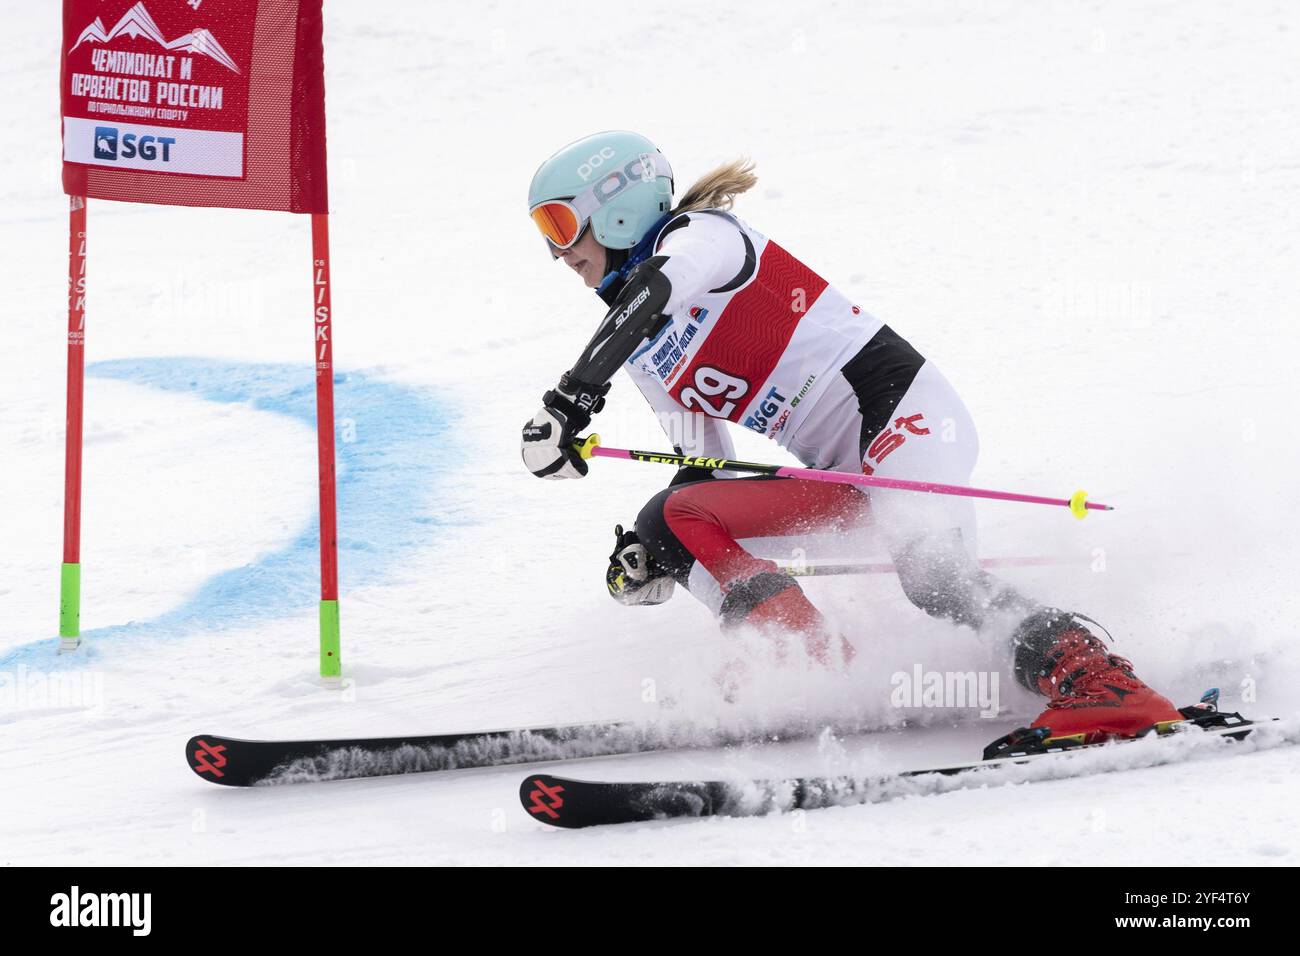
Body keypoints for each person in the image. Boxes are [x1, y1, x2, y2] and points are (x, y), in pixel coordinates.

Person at [521, 130, 1182, 741]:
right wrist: (654, 553)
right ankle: (809, 667)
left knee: (934, 581)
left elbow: (660, 286)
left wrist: (573, 397)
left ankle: (1102, 683)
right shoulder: (641, 349)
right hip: (843, 478)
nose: (556, 251)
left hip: (902, 416)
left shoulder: (707, 238)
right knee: (668, 519)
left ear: (616, 208)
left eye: (558, 222)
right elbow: (704, 470)